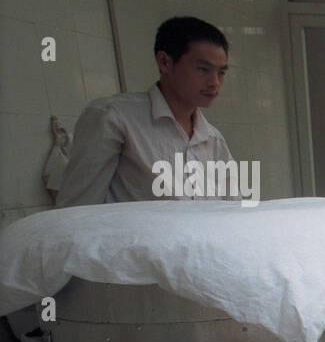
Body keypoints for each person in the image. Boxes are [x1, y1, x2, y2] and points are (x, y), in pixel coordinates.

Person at [58, 16, 236, 207]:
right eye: (203, 69)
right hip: (135, 237)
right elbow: (75, 210)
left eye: (221, 73)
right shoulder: (114, 118)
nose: (214, 82)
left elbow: (232, 209)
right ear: (164, 62)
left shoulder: (212, 140)